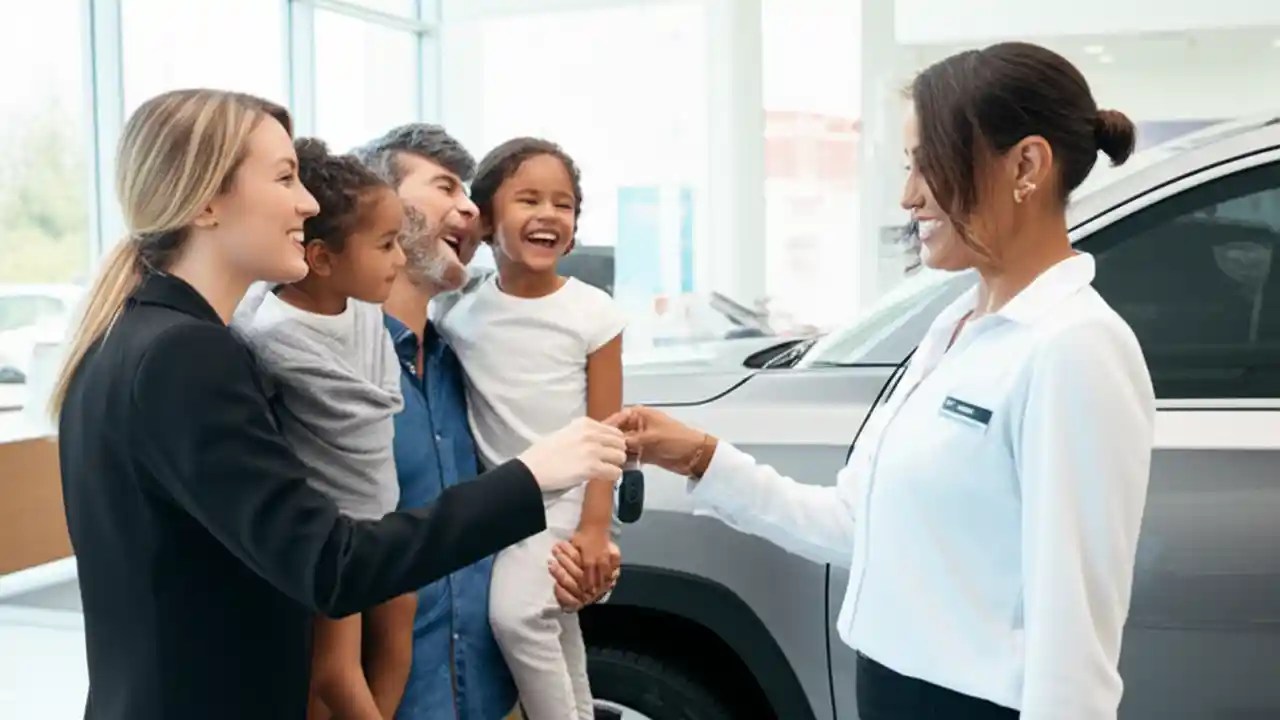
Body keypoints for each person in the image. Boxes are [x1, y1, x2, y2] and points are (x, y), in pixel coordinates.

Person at [597, 42, 1156, 720]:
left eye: (927, 164)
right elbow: (856, 527)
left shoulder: (1075, 347)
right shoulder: (956, 328)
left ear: (1026, 165)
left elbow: (1074, 648)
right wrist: (698, 457)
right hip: (892, 691)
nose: (908, 195)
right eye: (907, 166)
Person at [50, 89, 627, 720]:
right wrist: (531, 477)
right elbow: (331, 566)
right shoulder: (187, 357)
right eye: (285, 178)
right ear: (207, 202)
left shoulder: (137, 338)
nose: (307, 202)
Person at [355, 125, 620, 720]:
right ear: (377, 211)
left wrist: (594, 536)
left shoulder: (455, 357)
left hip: (489, 695)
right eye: (445, 187)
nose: (469, 209)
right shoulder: (345, 371)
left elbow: (600, 435)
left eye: (468, 193)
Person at [429, 137, 625, 720]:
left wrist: (595, 527)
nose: (549, 214)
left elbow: (607, 433)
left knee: (517, 617)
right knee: (555, 626)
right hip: (500, 501)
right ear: (487, 219)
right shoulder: (457, 311)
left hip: (568, 501)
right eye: (528, 199)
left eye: (564, 204)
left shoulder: (593, 313)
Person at [231, 137, 416, 720]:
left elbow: (376, 405)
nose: (400, 259)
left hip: (380, 513)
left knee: (401, 612)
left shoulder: (363, 306)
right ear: (322, 259)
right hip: (330, 529)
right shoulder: (272, 337)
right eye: (386, 245)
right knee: (332, 670)